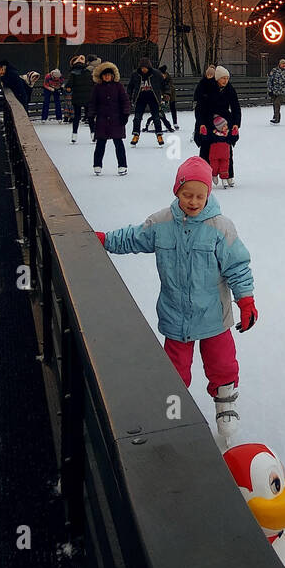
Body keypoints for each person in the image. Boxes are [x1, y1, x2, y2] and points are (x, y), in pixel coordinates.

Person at [96, 156, 257, 445]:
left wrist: (245, 300)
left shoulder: (221, 228)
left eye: (200, 195)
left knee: (221, 362)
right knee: (175, 370)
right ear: (176, 191)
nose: (193, 201)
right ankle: (173, 412)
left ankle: (225, 403)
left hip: (213, 316)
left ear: (209, 194)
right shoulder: (162, 223)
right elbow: (133, 238)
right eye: (187, 195)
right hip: (175, 315)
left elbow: (238, 266)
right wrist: (105, 240)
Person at [89, 61, 131, 176]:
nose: (107, 77)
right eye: (105, 75)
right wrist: (91, 115)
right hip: (102, 120)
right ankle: (97, 165)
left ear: (112, 76)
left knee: (118, 143)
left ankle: (122, 165)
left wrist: (125, 114)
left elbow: (125, 101)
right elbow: (93, 103)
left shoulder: (118, 86)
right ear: (101, 76)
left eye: (109, 75)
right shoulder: (97, 88)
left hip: (116, 119)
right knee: (100, 144)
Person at [207, 67, 242, 185]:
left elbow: (236, 106)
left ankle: (228, 174)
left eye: (227, 78)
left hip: (226, 121)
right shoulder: (210, 88)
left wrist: (236, 123)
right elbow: (203, 106)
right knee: (211, 150)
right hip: (211, 120)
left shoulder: (230, 89)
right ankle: (210, 174)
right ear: (217, 78)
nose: (225, 80)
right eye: (223, 78)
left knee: (227, 150)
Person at [128, 57, 166, 146]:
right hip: (140, 98)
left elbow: (164, 84)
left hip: (153, 98)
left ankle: (159, 135)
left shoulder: (156, 74)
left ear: (149, 67)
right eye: (142, 68)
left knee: (156, 117)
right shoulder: (135, 74)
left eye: (145, 68)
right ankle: (136, 134)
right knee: (137, 117)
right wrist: (129, 96)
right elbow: (130, 86)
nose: (144, 69)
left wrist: (166, 94)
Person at [65, 55, 94, 143]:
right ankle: (93, 135)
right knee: (90, 117)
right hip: (88, 97)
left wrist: (66, 87)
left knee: (77, 117)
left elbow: (69, 85)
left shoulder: (73, 73)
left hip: (77, 98)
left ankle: (74, 136)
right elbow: (92, 83)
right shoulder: (88, 72)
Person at [207, 115, 233, 185]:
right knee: (214, 166)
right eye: (224, 126)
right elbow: (208, 138)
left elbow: (231, 139)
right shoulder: (214, 135)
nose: (226, 127)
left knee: (224, 166)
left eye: (226, 125)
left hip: (225, 155)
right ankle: (214, 175)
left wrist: (233, 134)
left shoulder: (227, 134)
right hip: (214, 155)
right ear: (220, 128)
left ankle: (224, 178)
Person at [267, 58, 285, 124]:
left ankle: (276, 119)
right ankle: (275, 117)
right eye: (282, 63)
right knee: (275, 105)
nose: (284, 65)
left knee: (277, 104)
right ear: (279, 64)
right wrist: (269, 90)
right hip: (274, 91)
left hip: (282, 91)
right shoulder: (274, 70)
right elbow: (269, 80)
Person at [159, 65, 179, 130]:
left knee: (173, 107)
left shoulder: (168, 77)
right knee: (160, 109)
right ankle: (161, 122)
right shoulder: (157, 77)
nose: (163, 76)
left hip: (170, 95)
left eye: (163, 74)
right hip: (161, 95)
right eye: (162, 74)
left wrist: (168, 95)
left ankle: (175, 122)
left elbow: (170, 87)